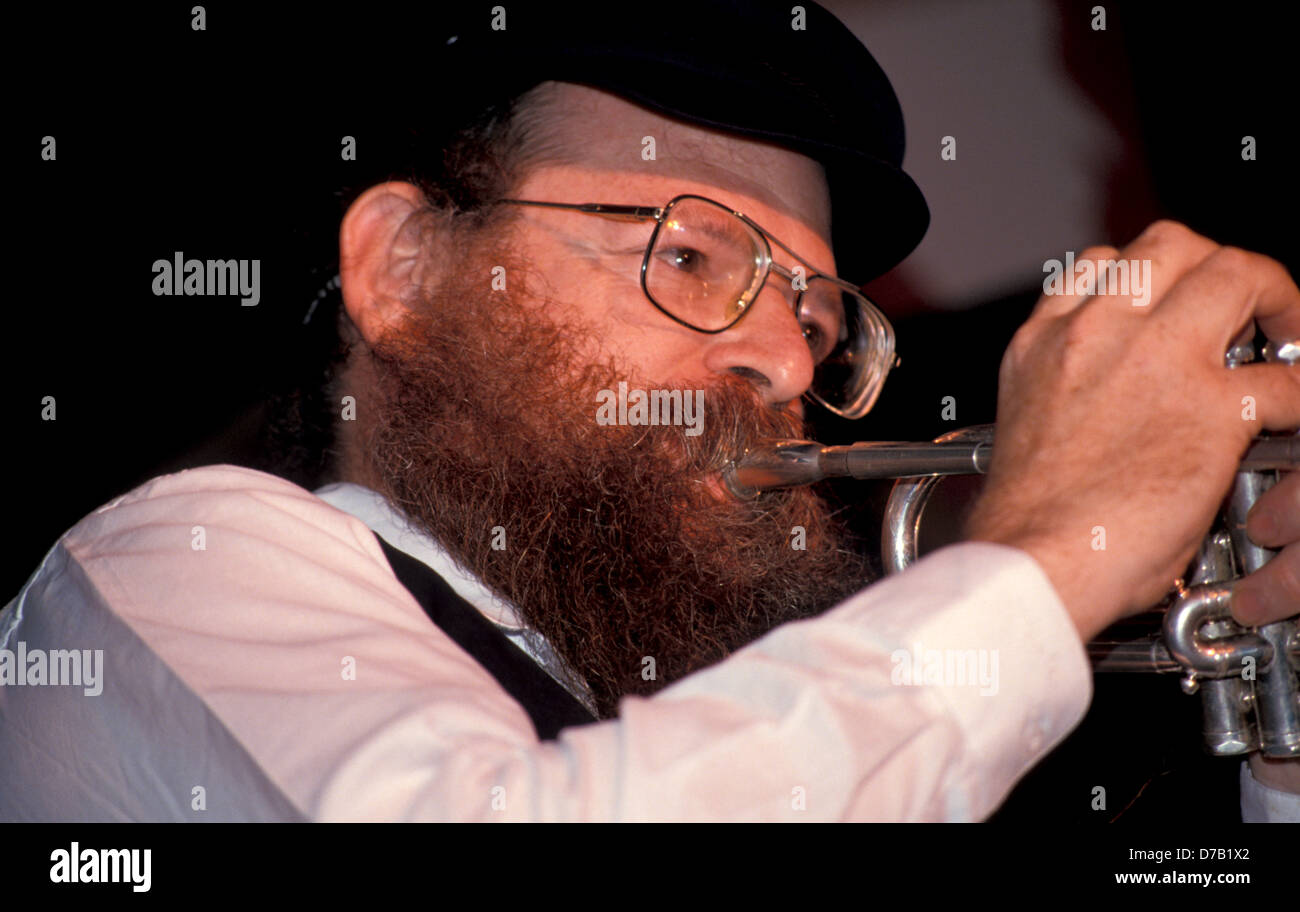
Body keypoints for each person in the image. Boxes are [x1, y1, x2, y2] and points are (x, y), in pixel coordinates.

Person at [2, 1, 1296, 821]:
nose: (785, 366)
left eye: (819, 313)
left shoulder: (731, 716)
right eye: (690, 258)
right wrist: (1047, 560)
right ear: (399, 266)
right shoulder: (183, 562)